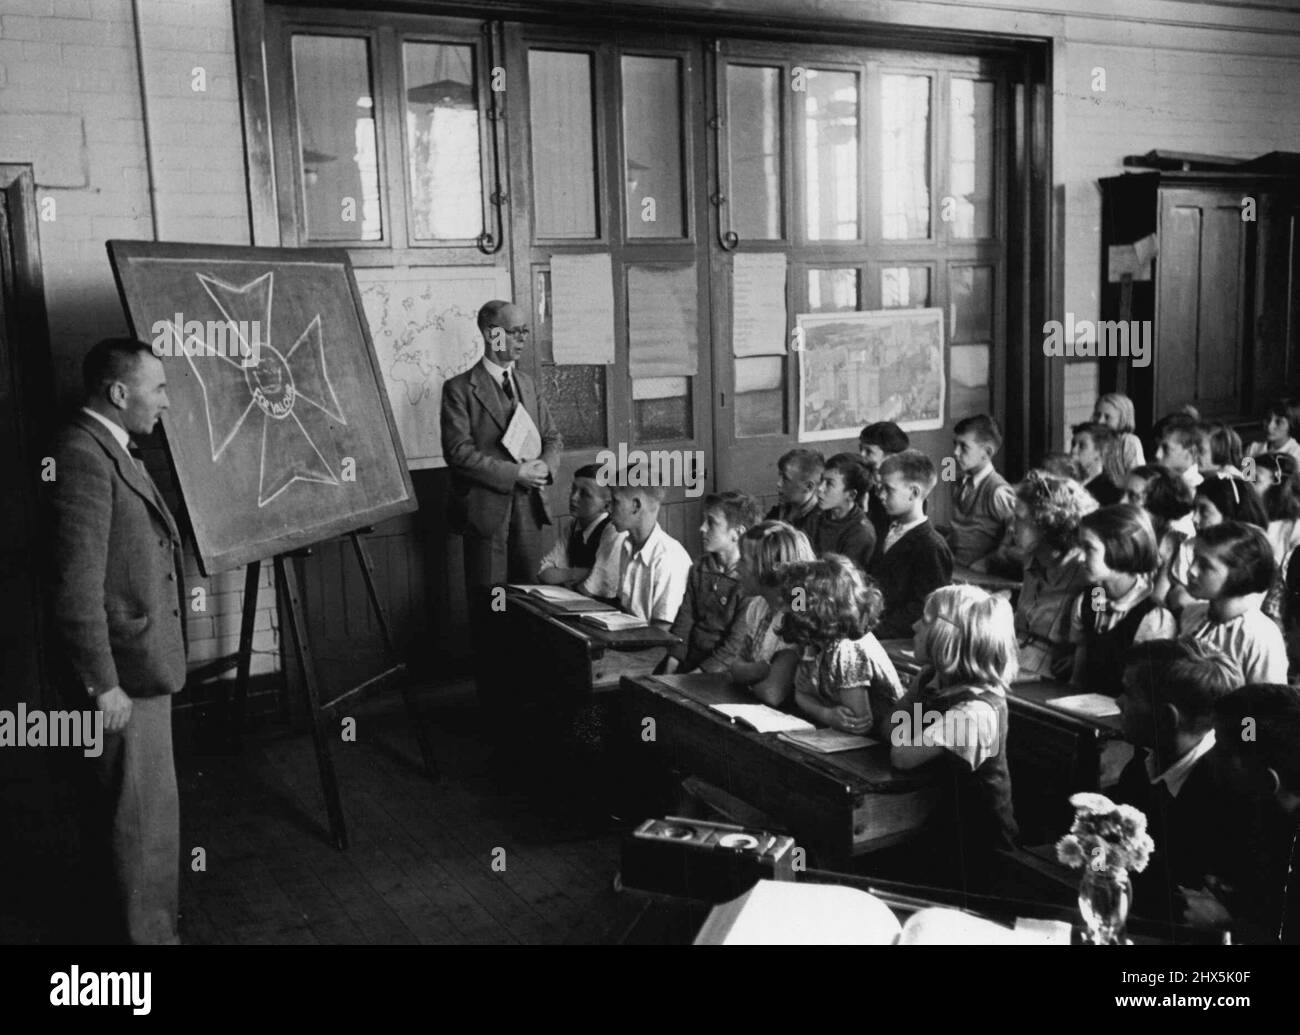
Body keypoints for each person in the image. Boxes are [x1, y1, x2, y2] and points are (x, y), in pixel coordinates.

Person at [46, 338, 186, 945]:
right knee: (141, 828)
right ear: (118, 393)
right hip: (122, 676)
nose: (167, 401)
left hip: (138, 666)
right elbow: (73, 590)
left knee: (144, 822)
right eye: (157, 389)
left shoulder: (108, 445)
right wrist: (102, 685)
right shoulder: (81, 453)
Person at [441, 300, 563, 709]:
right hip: (486, 517)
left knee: (528, 602)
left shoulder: (529, 384)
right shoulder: (460, 389)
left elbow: (553, 437)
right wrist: (515, 475)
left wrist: (545, 466)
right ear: (490, 332)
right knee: (491, 607)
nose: (522, 339)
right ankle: (495, 701)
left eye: (525, 331)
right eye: (514, 331)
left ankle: (529, 696)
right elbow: (459, 453)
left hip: (528, 511)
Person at [1113, 639, 1251, 930]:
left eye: (1127, 693)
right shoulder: (1142, 766)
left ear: (1165, 717)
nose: (1118, 701)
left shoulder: (1232, 798)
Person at [890, 584, 1019, 888]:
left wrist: (909, 709)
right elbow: (892, 726)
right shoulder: (935, 681)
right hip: (943, 831)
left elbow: (901, 755)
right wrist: (908, 711)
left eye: (925, 620)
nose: (914, 626)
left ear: (947, 639)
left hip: (982, 854)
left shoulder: (974, 712)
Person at [1182, 683, 1300, 943]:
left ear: (1268, 781)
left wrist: (1225, 925)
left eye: (1224, 753)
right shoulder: (1249, 802)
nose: (1211, 757)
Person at [782, 555, 905, 738]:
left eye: (798, 599)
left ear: (821, 605)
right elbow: (801, 695)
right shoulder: (815, 641)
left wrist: (824, 713)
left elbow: (858, 722)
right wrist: (826, 713)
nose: (790, 607)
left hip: (878, 746)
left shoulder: (848, 648)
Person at [1069, 505, 1176, 694]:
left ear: (1120, 549)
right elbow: (1080, 671)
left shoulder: (1151, 617)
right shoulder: (1092, 598)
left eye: (1089, 548)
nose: (1079, 557)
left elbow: (1145, 689)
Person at [663, 490, 762, 673]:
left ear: (737, 533)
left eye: (712, 523)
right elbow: (683, 625)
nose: (702, 528)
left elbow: (734, 647)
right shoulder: (700, 568)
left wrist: (692, 679)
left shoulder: (750, 582)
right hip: (687, 665)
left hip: (718, 673)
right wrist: (668, 673)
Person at [1011, 472, 1096, 681]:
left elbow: (1098, 636)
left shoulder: (1089, 574)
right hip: (1015, 658)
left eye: (1021, 520)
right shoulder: (1032, 558)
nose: (1012, 527)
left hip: (1051, 675)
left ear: (1049, 524)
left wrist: (1080, 658)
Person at [1178, 521, 1288, 685]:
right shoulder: (1192, 614)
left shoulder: (1261, 638)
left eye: (1205, 565)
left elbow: (1268, 704)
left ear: (1240, 574)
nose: (1191, 571)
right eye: (1194, 558)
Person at [720, 521, 816, 705]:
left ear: (768, 567)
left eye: (743, 560)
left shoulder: (799, 613)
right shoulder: (759, 606)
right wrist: (763, 670)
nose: (736, 567)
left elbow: (773, 692)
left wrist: (748, 675)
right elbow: (734, 668)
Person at [581, 478, 691, 629]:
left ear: (635, 506)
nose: (608, 508)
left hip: (654, 647)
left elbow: (662, 633)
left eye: (615, 501)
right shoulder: (627, 545)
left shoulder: (669, 558)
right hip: (631, 639)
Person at [869, 450, 954, 640]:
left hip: (901, 639)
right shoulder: (886, 529)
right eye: (879, 488)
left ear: (914, 493)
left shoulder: (931, 546)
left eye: (888, 489)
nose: (881, 495)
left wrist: (872, 632)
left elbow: (923, 609)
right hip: (875, 628)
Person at [945, 414, 1017, 570]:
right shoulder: (959, 482)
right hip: (957, 568)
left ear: (987, 453)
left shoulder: (998, 491)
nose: (955, 452)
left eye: (963, 447)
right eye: (955, 444)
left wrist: (990, 561)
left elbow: (1016, 533)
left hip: (981, 577)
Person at [1124, 464, 1195, 611]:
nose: (1122, 502)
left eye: (1132, 496)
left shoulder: (1172, 541)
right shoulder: (1129, 535)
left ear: (1158, 500)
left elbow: (1156, 601)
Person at [536, 463, 615, 586]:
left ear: (607, 505)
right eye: (573, 489)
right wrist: (576, 573)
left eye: (585, 494)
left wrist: (563, 575)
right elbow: (544, 572)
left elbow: (597, 584)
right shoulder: (573, 526)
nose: (573, 497)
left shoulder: (612, 531)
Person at [804, 452, 876, 572]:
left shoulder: (860, 533)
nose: (820, 488)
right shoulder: (817, 514)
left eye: (829, 484)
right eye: (822, 480)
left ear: (851, 494)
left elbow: (841, 580)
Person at [858, 421, 909, 542]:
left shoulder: (903, 492)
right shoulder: (867, 483)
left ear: (890, 457)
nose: (862, 455)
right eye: (861, 449)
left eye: (869, 452)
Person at [764, 448, 823, 533]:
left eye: (785, 479)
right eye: (779, 476)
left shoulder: (820, 525)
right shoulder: (779, 511)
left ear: (809, 487)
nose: (779, 484)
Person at [1092, 392, 1145, 486]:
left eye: (1107, 417)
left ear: (1122, 419)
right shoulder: (1095, 442)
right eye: (1097, 415)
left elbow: (1138, 477)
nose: (1100, 421)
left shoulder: (1129, 442)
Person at [1070, 421, 1123, 506]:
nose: (1073, 450)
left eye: (1082, 446)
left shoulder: (1110, 494)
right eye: (1073, 444)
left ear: (1099, 452)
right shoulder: (1068, 483)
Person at [1154, 413, 1206, 492]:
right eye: (1156, 447)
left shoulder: (1199, 491)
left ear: (1192, 451)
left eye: (1166, 448)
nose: (1157, 455)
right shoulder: (1158, 482)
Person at [1245, 398, 1300, 463]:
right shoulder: (1253, 448)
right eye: (1268, 419)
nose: (1269, 426)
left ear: (1291, 425)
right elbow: (1245, 473)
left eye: (1278, 422)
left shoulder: (1297, 453)